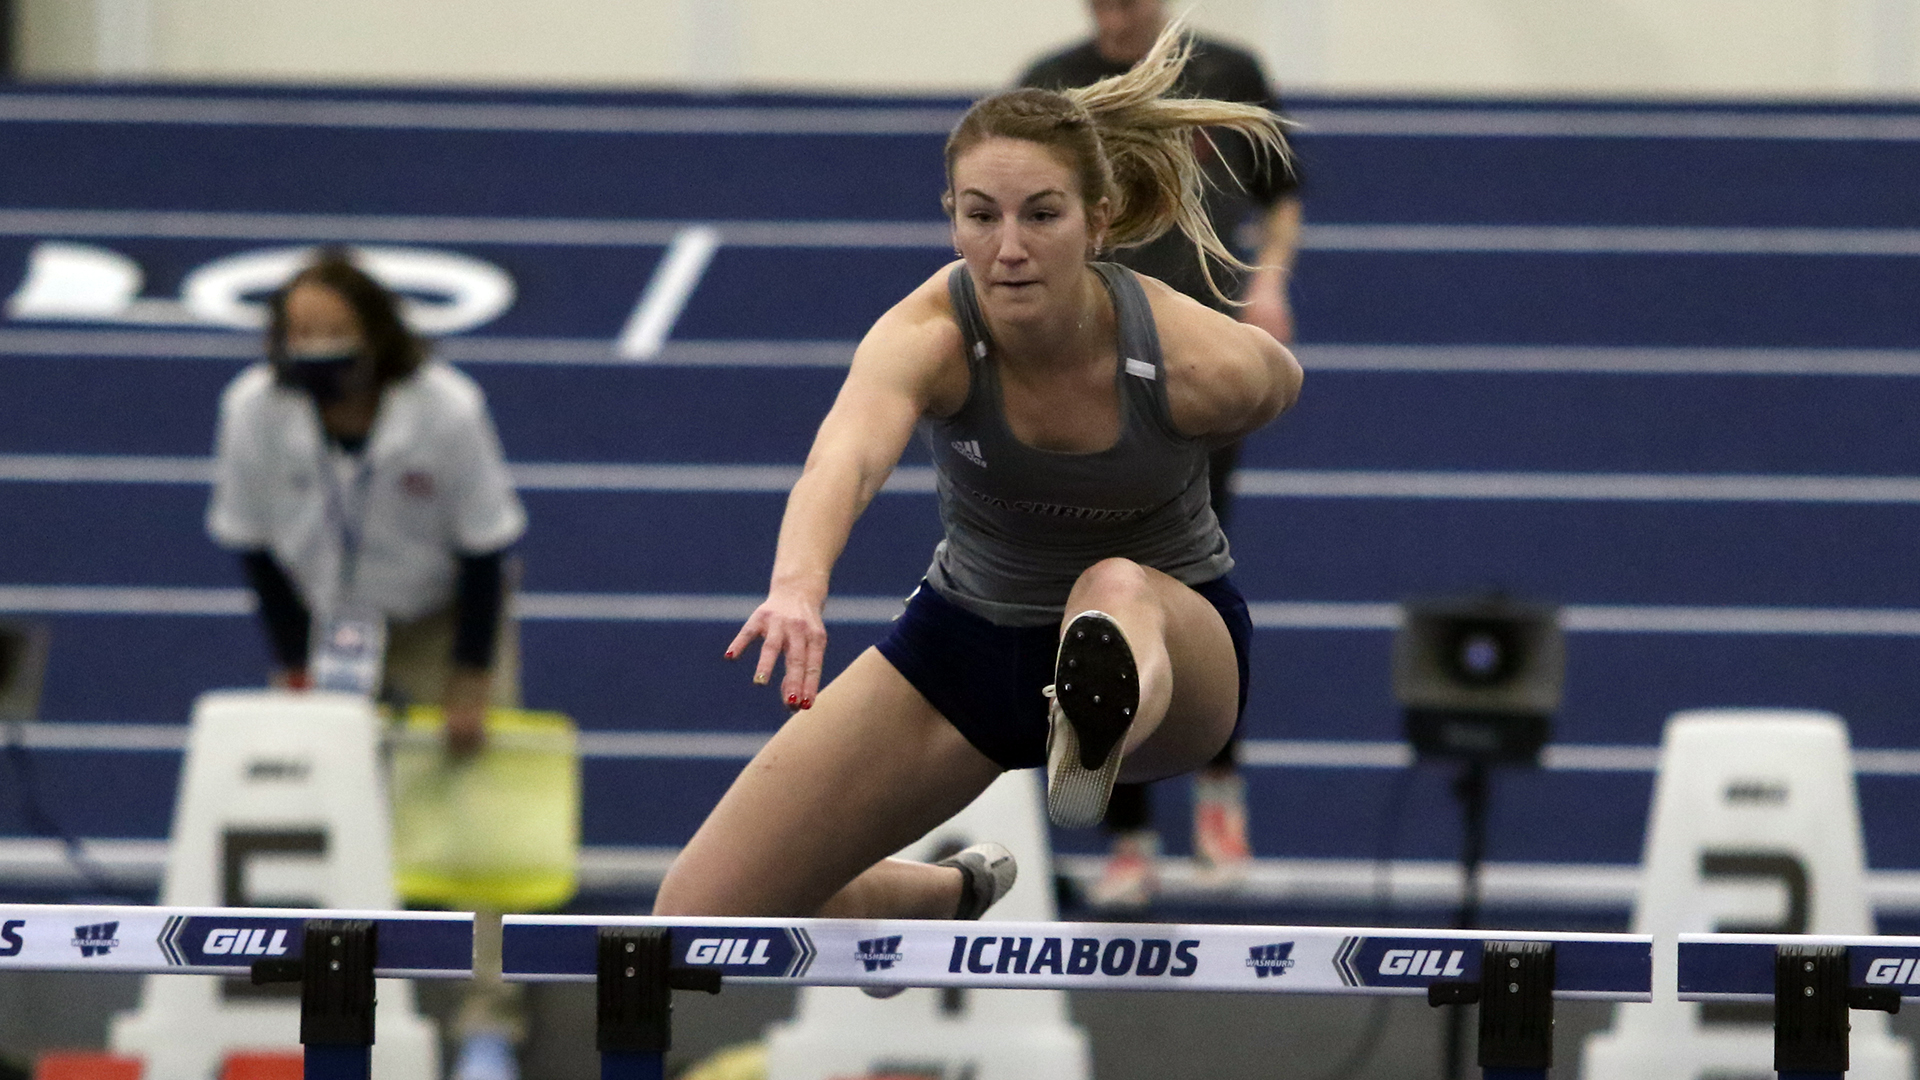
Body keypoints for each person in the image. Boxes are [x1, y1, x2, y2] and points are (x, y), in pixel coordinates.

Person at [653, 23, 1300, 934]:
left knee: (1109, 585)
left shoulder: (1188, 356)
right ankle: (939, 895)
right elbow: (846, 453)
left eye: (1042, 214)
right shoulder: (930, 332)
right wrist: (797, 588)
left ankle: (1096, 720)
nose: (1007, 249)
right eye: (979, 216)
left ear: (1099, 220)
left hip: (1175, 667)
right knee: (694, 915)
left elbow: (1281, 382)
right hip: (972, 645)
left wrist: (1228, 363)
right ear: (950, 215)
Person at [204, 248, 528, 1080]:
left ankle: (490, 1023)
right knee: (340, 799)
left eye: (334, 333)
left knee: (474, 816)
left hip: (443, 614)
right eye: (298, 333)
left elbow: (488, 550)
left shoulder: (447, 410)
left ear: (377, 336)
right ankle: (347, 1005)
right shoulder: (251, 411)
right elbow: (252, 547)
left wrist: (469, 678)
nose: (315, 349)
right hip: (329, 626)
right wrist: (291, 666)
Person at [1020, 0, 1304, 905]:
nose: (1109, 17)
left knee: (1199, 575)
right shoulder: (1051, 83)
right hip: (1091, 372)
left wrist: (1269, 283)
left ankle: (1221, 797)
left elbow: (1282, 192)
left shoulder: (1227, 72)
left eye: (1126, 3)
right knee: (1099, 593)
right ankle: (1129, 834)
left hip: (1195, 365)